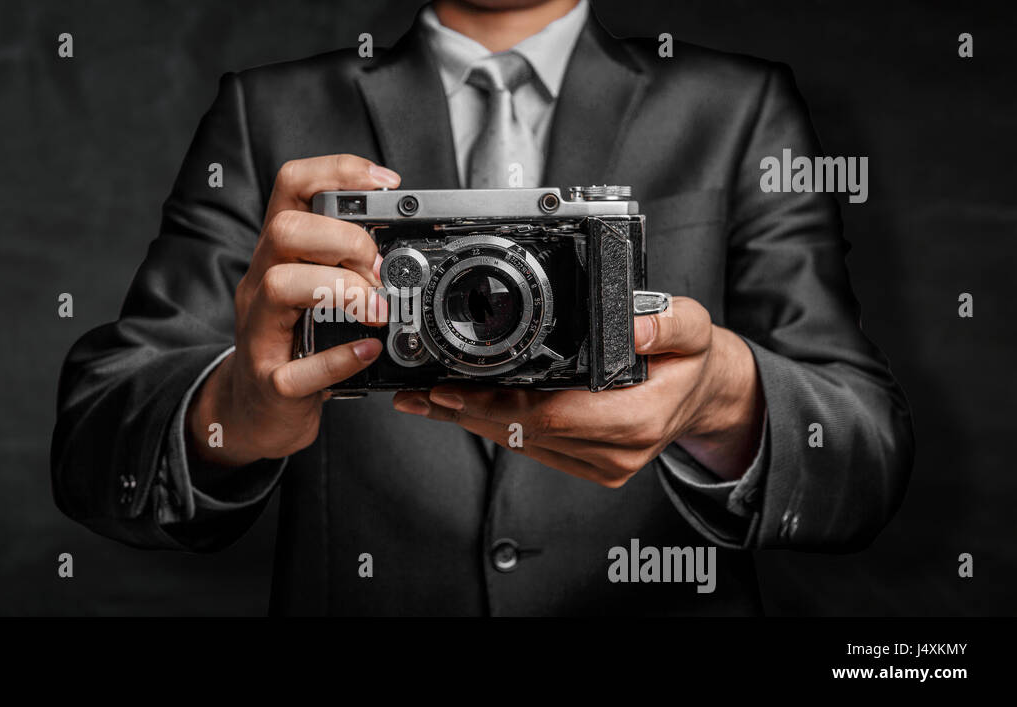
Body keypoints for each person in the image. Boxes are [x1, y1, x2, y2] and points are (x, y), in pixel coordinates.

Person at [50, 0, 914, 615]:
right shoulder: (269, 111)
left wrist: (729, 396)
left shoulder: (737, 106)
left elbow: (865, 455)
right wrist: (232, 411)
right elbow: (96, 440)